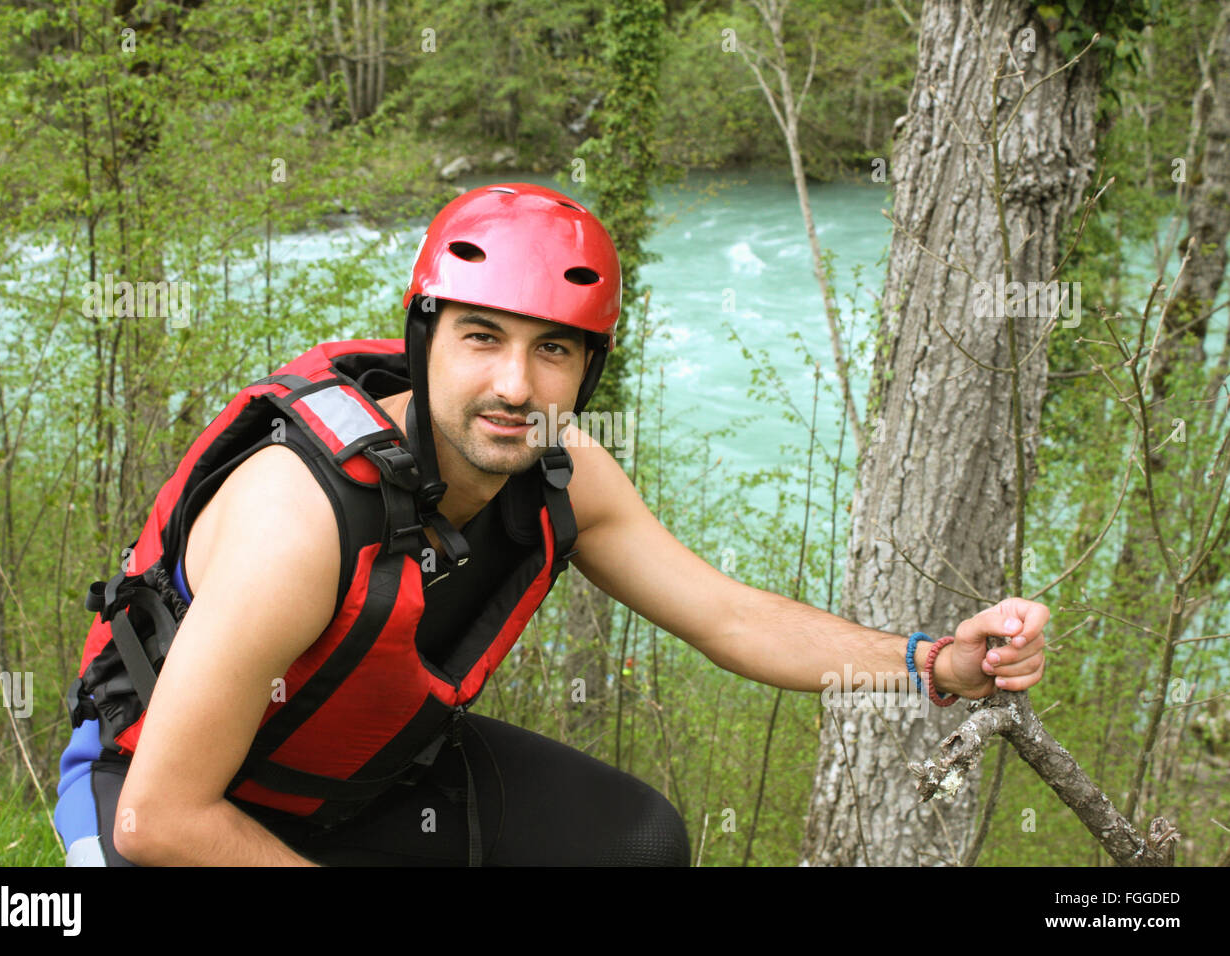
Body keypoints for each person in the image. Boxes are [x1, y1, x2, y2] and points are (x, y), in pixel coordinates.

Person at [54, 182, 1049, 867]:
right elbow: (160, 818)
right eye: (481, 336)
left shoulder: (567, 477)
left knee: (637, 842)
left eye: (554, 352)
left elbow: (729, 618)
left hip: (349, 779)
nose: (514, 384)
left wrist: (935, 662)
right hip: (150, 804)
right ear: (425, 338)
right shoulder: (300, 515)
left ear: (588, 370)